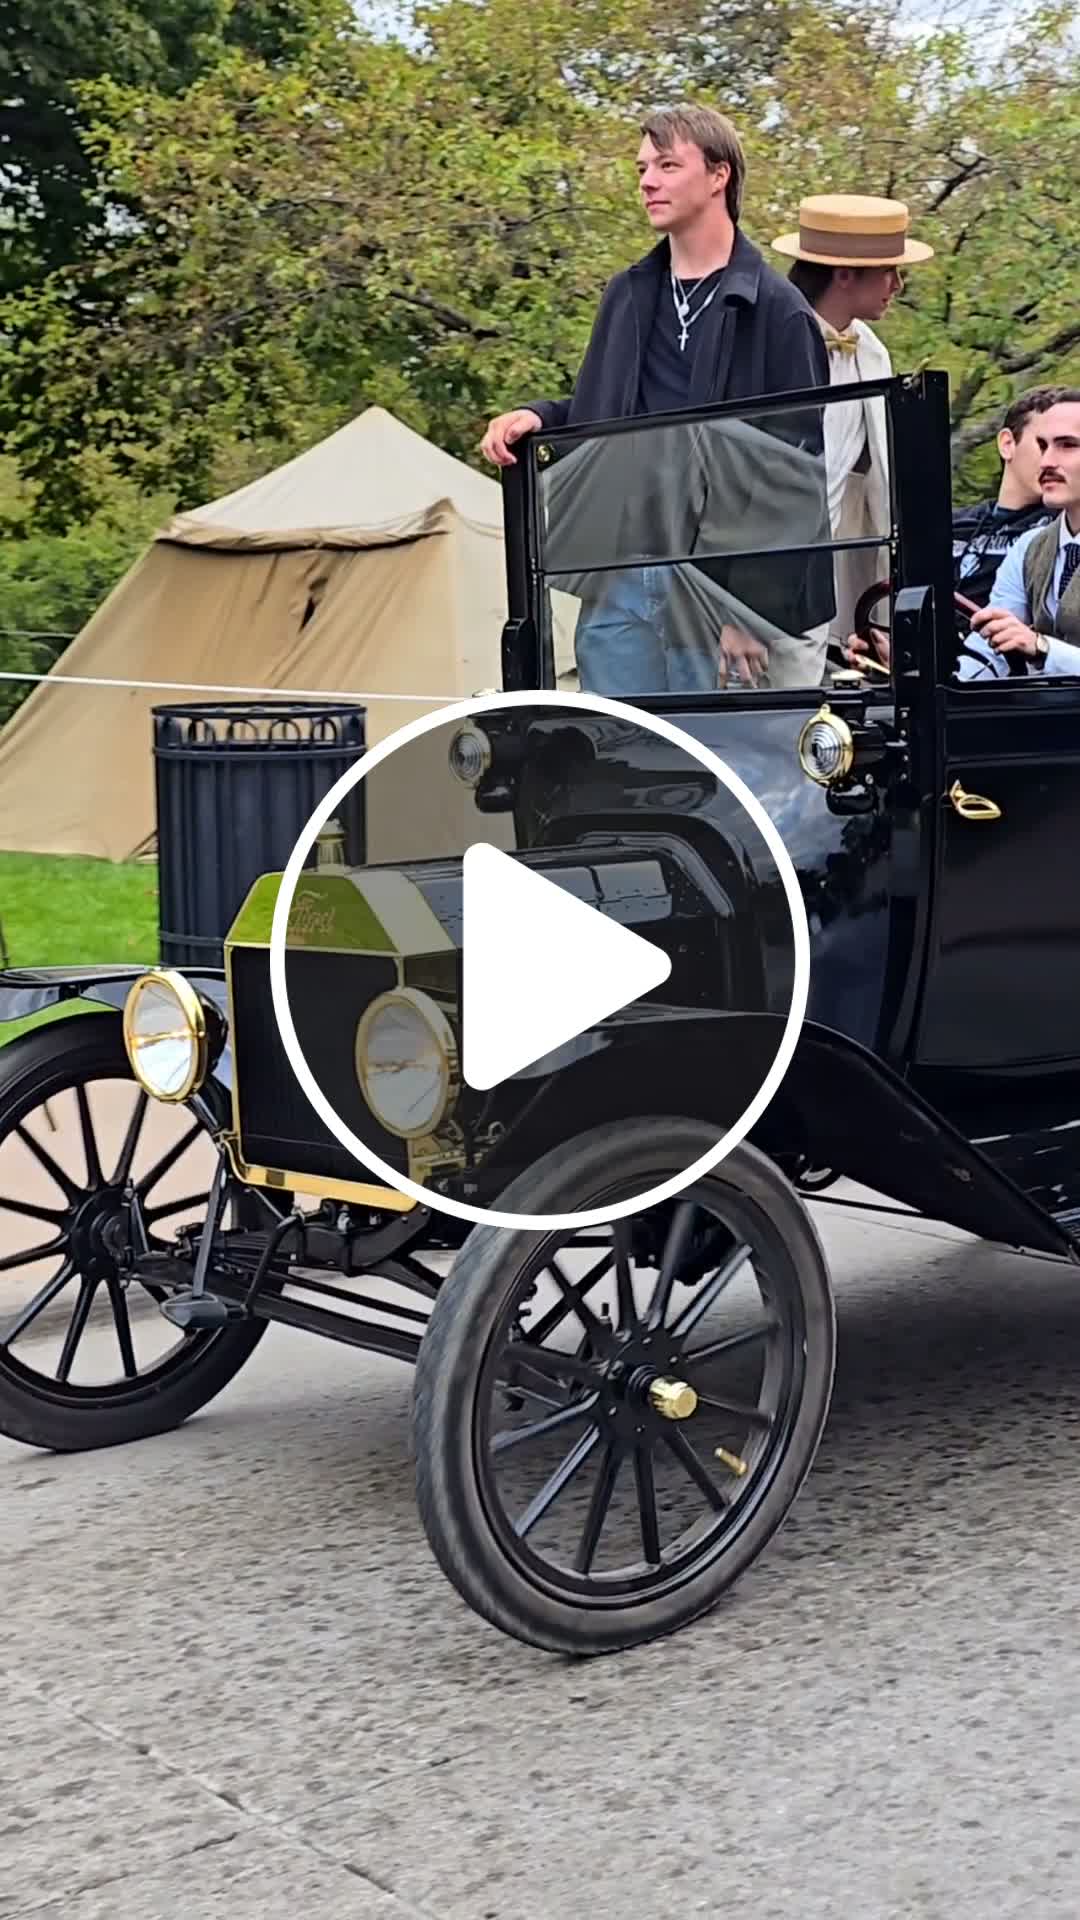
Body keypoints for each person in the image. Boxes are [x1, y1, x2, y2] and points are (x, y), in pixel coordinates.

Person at [480, 104, 835, 695]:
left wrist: (745, 612)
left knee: (717, 771)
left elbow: (792, 476)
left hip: (716, 590)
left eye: (668, 165)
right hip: (620, 575)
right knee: (622, 766)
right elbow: (605, 414)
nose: (647, 180)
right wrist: (540, 417)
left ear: (719, 176)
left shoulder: (780, 312)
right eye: (643, 166)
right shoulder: (627, 294)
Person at [771, 193, 933, 649]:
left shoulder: (872, 352)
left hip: (824, 596)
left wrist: (876, 616)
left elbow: (873, 492)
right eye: (889, 271)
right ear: (844, 274)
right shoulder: (768, 342)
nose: (898, 285)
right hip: (755, 586)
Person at [969, 389, 1080, 673]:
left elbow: (1034, 646)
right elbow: (987, 653)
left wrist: (1043, 648)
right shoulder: (1030, 547)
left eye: (1067, 445)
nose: (1046, 462)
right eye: (1042, 446)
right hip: (1037, 715)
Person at [951, 386, 1059, 607]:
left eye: (1069, 447)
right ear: (1007, 444)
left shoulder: (1064, 528)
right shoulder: (952, 525)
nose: (1053, 460)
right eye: (1043, 444)